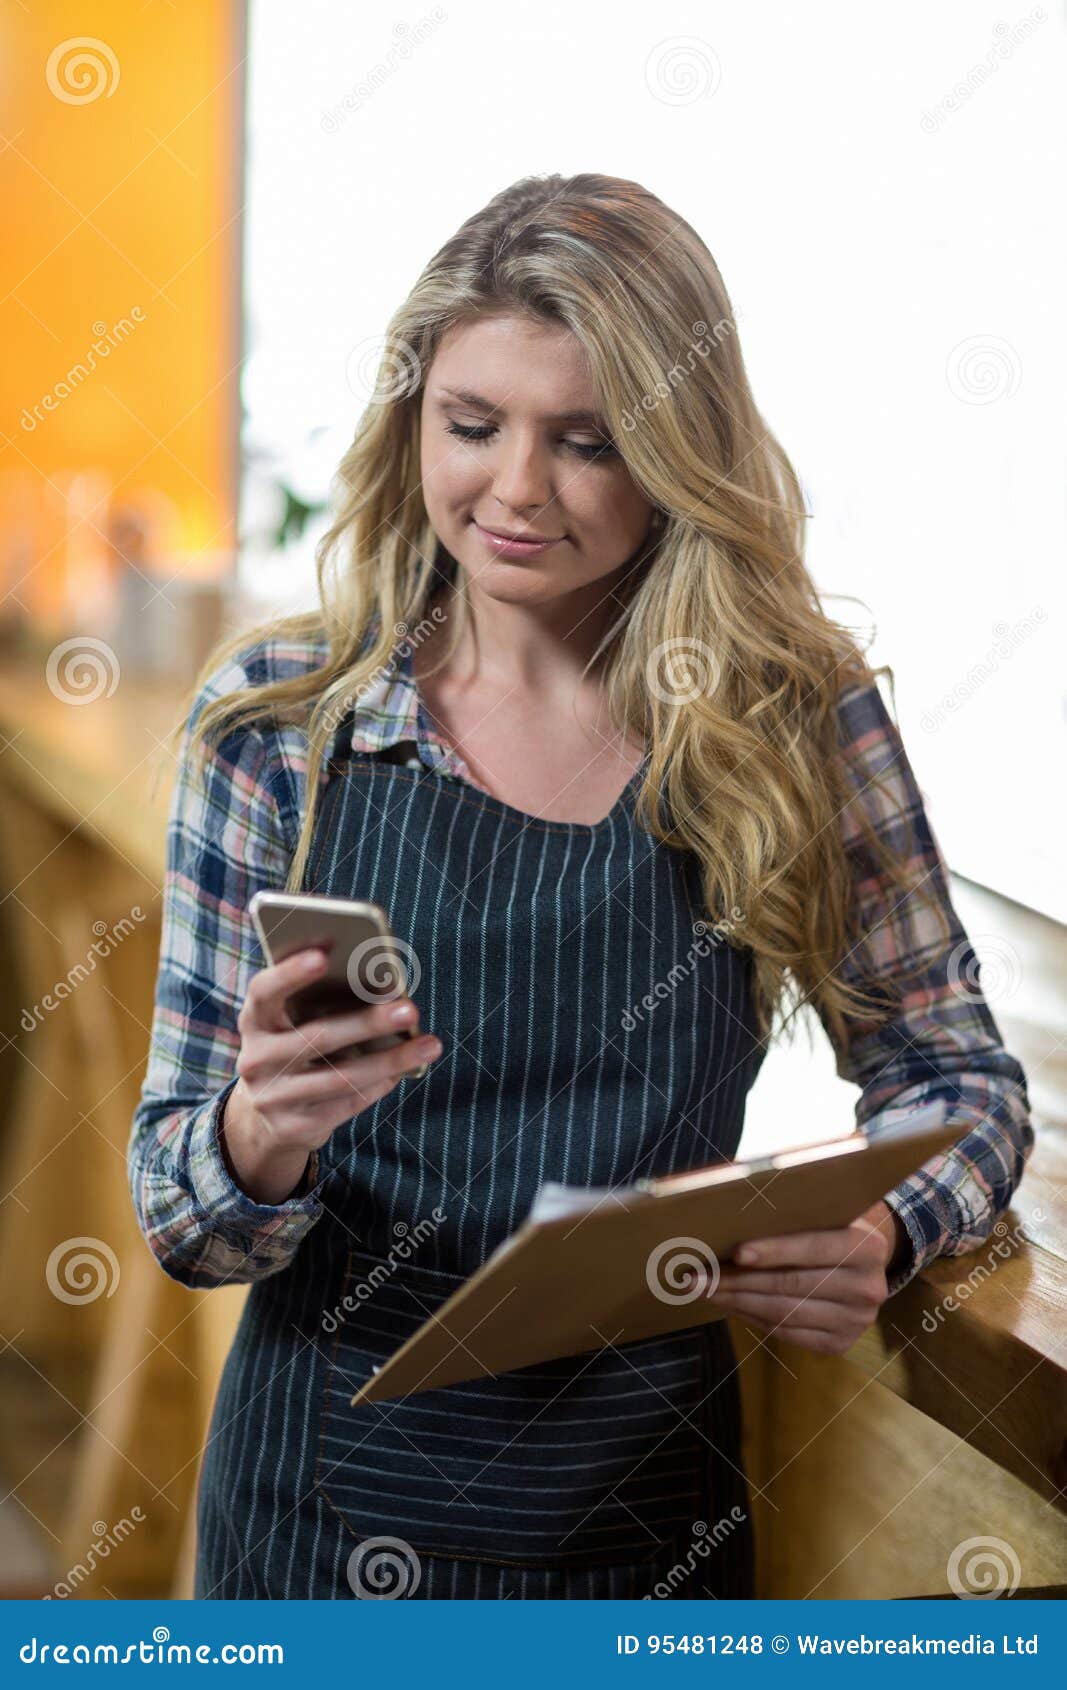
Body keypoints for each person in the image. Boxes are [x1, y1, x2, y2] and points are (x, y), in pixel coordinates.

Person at [127, 173, 1032, 1600]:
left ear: (676, 452)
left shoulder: (792, 719)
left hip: (648, 1523)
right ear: (411, 420)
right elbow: (186, 1224)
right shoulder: (280, 725)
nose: (516, 489)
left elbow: (959, 1076)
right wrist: (257, 1132)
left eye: (587, 442)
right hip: (313, 1521)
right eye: (471, 425)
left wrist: (884, 1224)